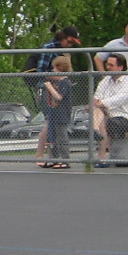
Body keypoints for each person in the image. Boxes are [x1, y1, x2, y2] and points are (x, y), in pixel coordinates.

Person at [28, 26, 80, 165]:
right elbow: (41, 72)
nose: (70, 45)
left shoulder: (64, 52)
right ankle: (42, 156)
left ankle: (53, 157)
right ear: (63, 37)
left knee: (55, 125)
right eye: (69, 42)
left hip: (58, 88)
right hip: (46, 88)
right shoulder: (49, 48)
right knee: (50, 122)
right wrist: (53, 80)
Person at [91, 52, 128, 167]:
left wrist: (101, 103)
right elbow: (96, 97)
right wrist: (98, 103)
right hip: (105, 113)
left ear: (120, 67)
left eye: (111, 65)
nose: (108, 67)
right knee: (99, 114)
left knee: (103, 123)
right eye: (107, 64)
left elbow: (119, 99)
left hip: (124, 117)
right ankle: (97, 135)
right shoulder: (105, 81)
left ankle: (101, 151)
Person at [39, 55, 74, 168]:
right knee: (51, 137)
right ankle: (53, 159)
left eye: (55, 68)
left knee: (61, 137)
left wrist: (49, 87)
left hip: (62, 115)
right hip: (53, 114)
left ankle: (65, 160)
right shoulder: (57, 82)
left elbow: (59, 97)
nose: (53, 71)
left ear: (61, 69)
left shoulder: (65, 82)